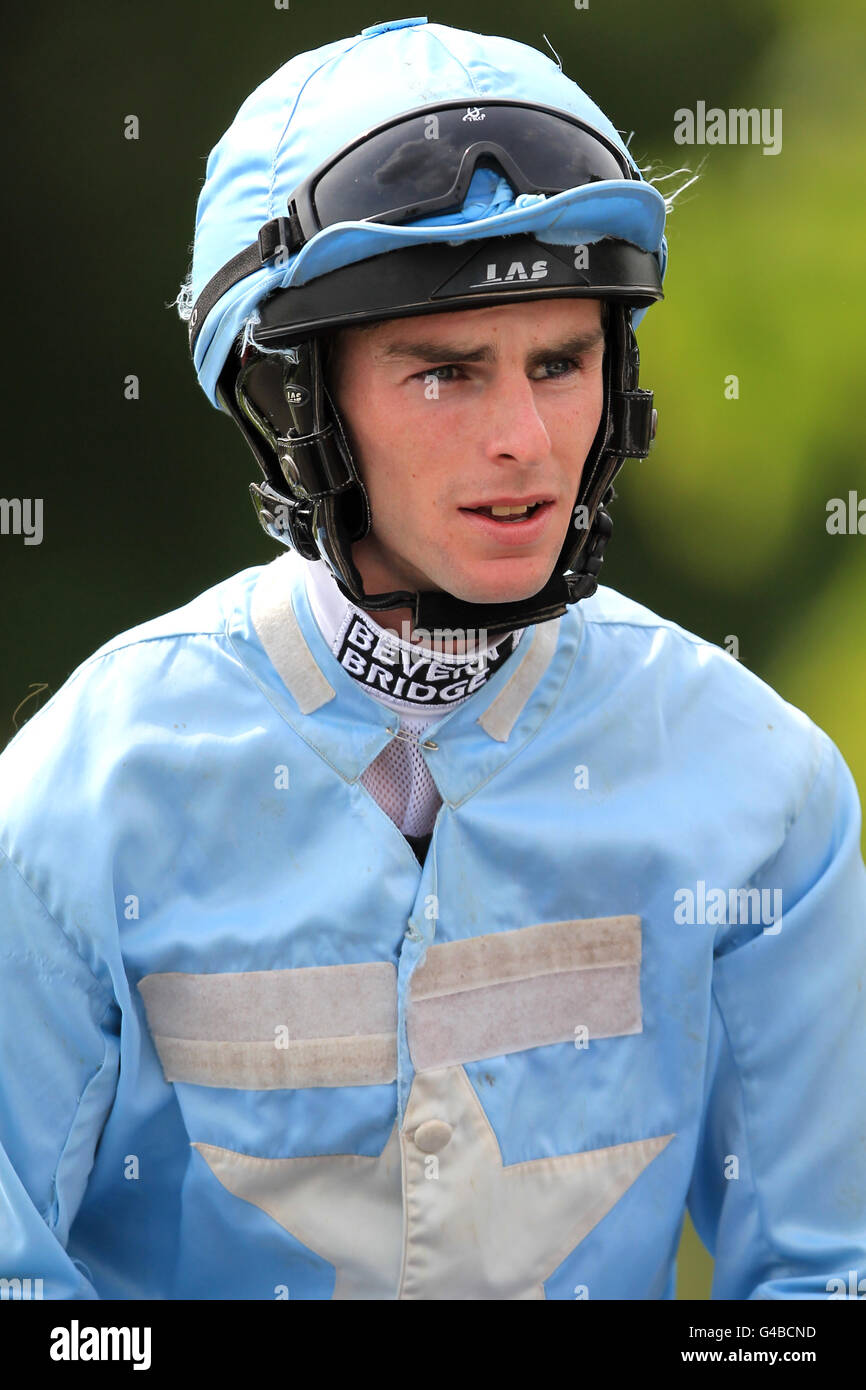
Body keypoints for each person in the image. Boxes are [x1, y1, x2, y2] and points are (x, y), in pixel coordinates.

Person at [0, 16, 864, 1302]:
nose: (523, 437)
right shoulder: (69, 804)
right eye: (445, 373)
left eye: (560, 362)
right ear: (289, 401)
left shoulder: (768, 792)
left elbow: (819, 1284)